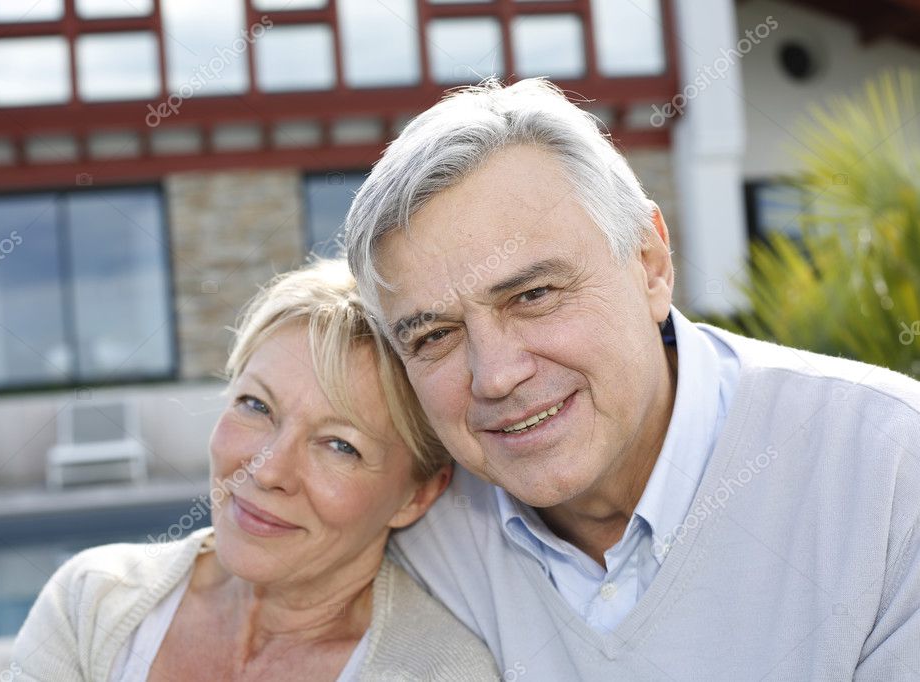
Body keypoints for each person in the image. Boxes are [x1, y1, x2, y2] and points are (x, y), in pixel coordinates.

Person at [344, 78, 920, 679]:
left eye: (534, 295)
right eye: (434, 335)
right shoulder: (418, 530)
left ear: (650, 264)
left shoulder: (889, 469)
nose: (496, 376)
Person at [11, 259, 498, 681]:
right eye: (255, 405)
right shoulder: (91, 602)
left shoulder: (443, 672)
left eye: (339, 445)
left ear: (418, 495)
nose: (267, 471)